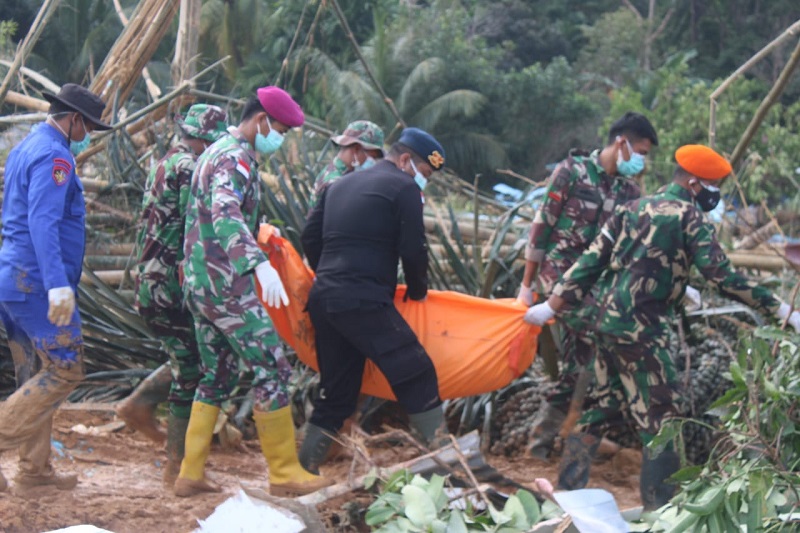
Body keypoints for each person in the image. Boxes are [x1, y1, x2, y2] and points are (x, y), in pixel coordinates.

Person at [523, 144, 800, 511]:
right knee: (663, 420)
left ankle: (567, 493)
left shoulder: (631, 208)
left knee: (598, 407)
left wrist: (550, 304)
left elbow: (591, 261)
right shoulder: (690, 218)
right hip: (641, 332)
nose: (715, 194)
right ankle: (662, 511)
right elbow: (722, 276)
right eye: (712, 186)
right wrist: (781, 309)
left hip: (602, 325)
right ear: (692, 182)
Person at [175, 86, 331, 498]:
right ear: (261, 120)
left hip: (200, 284)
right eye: (278, 129)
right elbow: (225, 214)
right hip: (227, 285)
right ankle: (284, 473)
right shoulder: (235, 157)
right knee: (274, 368)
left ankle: (190, 473)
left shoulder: (215, 151)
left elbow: (217, 215)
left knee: (217, 373)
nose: (279, 138)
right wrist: (258, 265)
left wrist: (259, 234)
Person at [297, 127, 448, 475]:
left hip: (325, 300)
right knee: (418, 373)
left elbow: (309, 234)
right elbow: (414, 249)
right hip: (363, 300)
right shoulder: (404, 188)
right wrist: (418, 290)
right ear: (407, 160)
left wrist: (329, 274)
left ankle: (302, 472)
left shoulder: (339, 185)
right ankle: (443, 467)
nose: (424, 181)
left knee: (338, 393)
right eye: (425, 173)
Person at [516, 112, 659, 460]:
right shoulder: (572, 172)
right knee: (600, 346)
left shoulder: (629, 191)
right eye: (641, 150)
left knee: (584, 364)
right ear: (621, 143)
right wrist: (527, 284)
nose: (643, 160)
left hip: (597, 287)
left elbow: (629, 247)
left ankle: (549, 443)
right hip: (560, 281)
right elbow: (542, 226)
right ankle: (566, 443)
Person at [0, 83, 111, 492]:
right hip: (35, 282)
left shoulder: (27, 146)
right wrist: (57, 286)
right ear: (73, 118)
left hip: (13, 279)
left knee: (33, 374)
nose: (90, 134)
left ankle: (34, 471)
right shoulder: (54, 156)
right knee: (66, 367)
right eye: (89, 126)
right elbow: (43, 222)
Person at [114, 104, 228, 486]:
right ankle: (177, 467)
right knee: (193, 369)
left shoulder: (165, 162)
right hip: (171, 286)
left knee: (187, 356)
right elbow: (196, 226)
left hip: (151, 281)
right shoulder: (191, 168)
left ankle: (139, 407)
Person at [308, 120, 385, 210]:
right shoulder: (335, 182)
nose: (373, 162)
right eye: (373, 157)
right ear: (356, 149)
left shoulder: (341, 173)